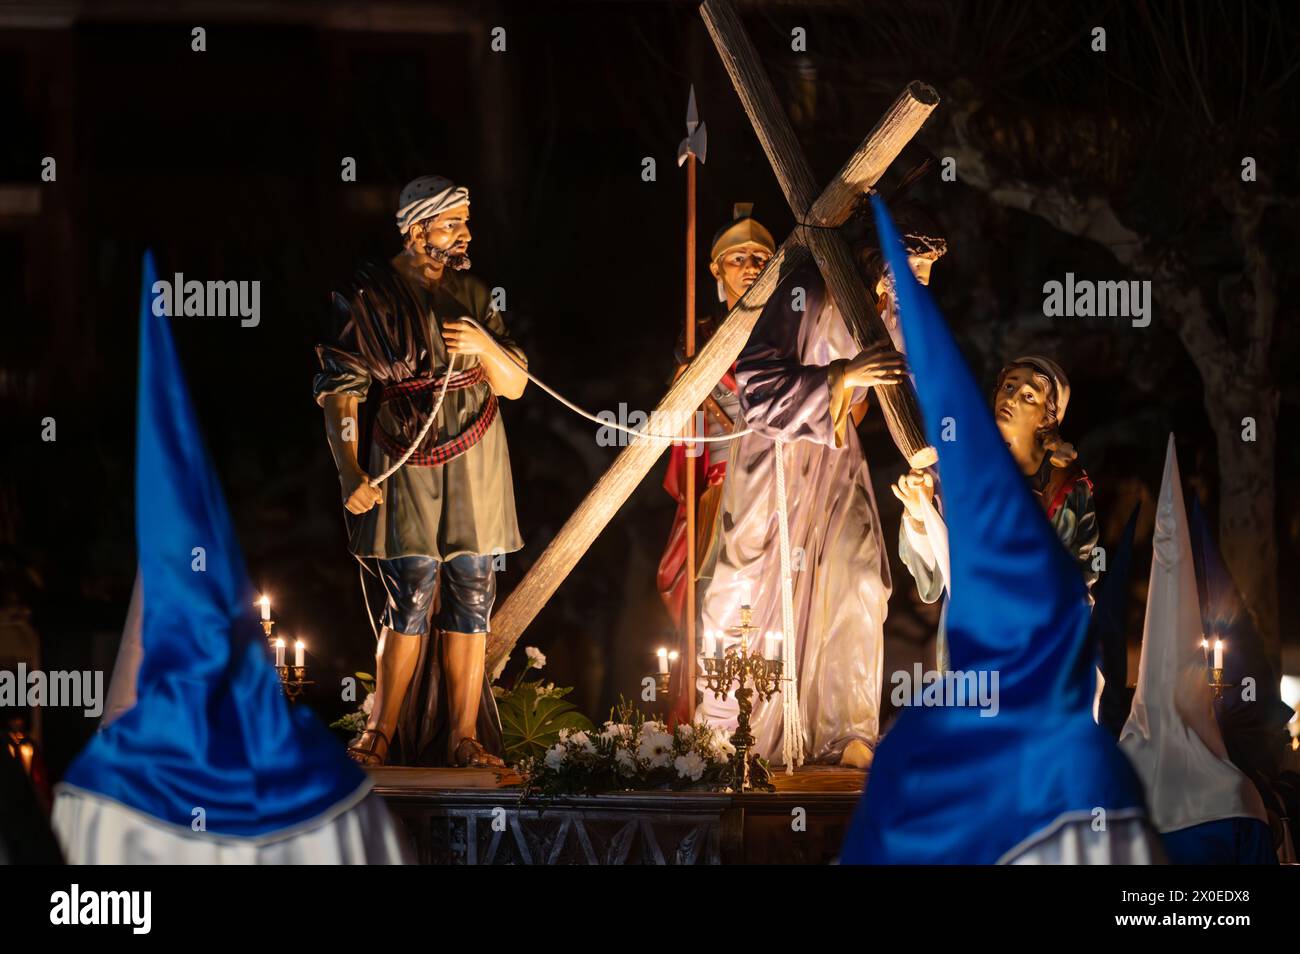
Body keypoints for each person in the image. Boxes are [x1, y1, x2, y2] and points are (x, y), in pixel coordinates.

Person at [314, 175, 527, 768]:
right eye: (452, 223)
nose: (465, 233)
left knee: (474, 587)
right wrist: (348, 470)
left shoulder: (475, 293)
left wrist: (484, 345)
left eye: (466, 221)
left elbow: (513, 384)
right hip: (406, 451)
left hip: (477, 452)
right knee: (410, 587)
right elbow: (342, 391)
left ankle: (464, 735)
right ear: (416, 230)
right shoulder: (369, 295)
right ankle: (381, 730)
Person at [694, 234, 913, 768]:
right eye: (913, 268)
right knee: (748, 588)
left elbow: (908, 378)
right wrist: (844, 376)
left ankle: (847, 729)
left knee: (858, 580)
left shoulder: (886, 309)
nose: (917, 283)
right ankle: (736, 725)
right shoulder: (807, 289)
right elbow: (757, 385)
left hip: (838, 458)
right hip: (776, 456)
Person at [894, 354, 1098, 670]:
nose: (1011, 398)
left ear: (1046, 417)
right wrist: (919, 514)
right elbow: (935, 570)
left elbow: (1080, 574)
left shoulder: (1065, 488)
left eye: (1028, 396)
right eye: (1009, 386)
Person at [656, 204, 774, 724]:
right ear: (716, 269)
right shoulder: (698, 336)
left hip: (776, 484)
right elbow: (679, 425)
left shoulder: (786, 332)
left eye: (760, 258)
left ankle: (769, 716)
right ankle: (709, 715)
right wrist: (687, 382)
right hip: (721, 485)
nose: (750, 267)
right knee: (707, 589)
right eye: (738, 258)